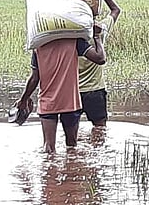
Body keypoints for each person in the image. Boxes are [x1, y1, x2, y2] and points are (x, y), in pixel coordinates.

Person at [17, 13, 105, 153]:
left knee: (48, 148)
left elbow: (34, 78)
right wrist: (97, 37)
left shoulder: (39, 45)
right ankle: (71, 172)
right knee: (72, 147)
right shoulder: (75, 42)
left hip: (48, 102)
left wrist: (24, 99)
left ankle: (49, 173)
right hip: (70, 102)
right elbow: (100, 58)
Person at [74, 0, 121, 127]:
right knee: (100, 129)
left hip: (71, 92)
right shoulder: (101, 29)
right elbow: (115, 10)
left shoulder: (67, 34)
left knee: (70, 132)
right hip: (95, 91)